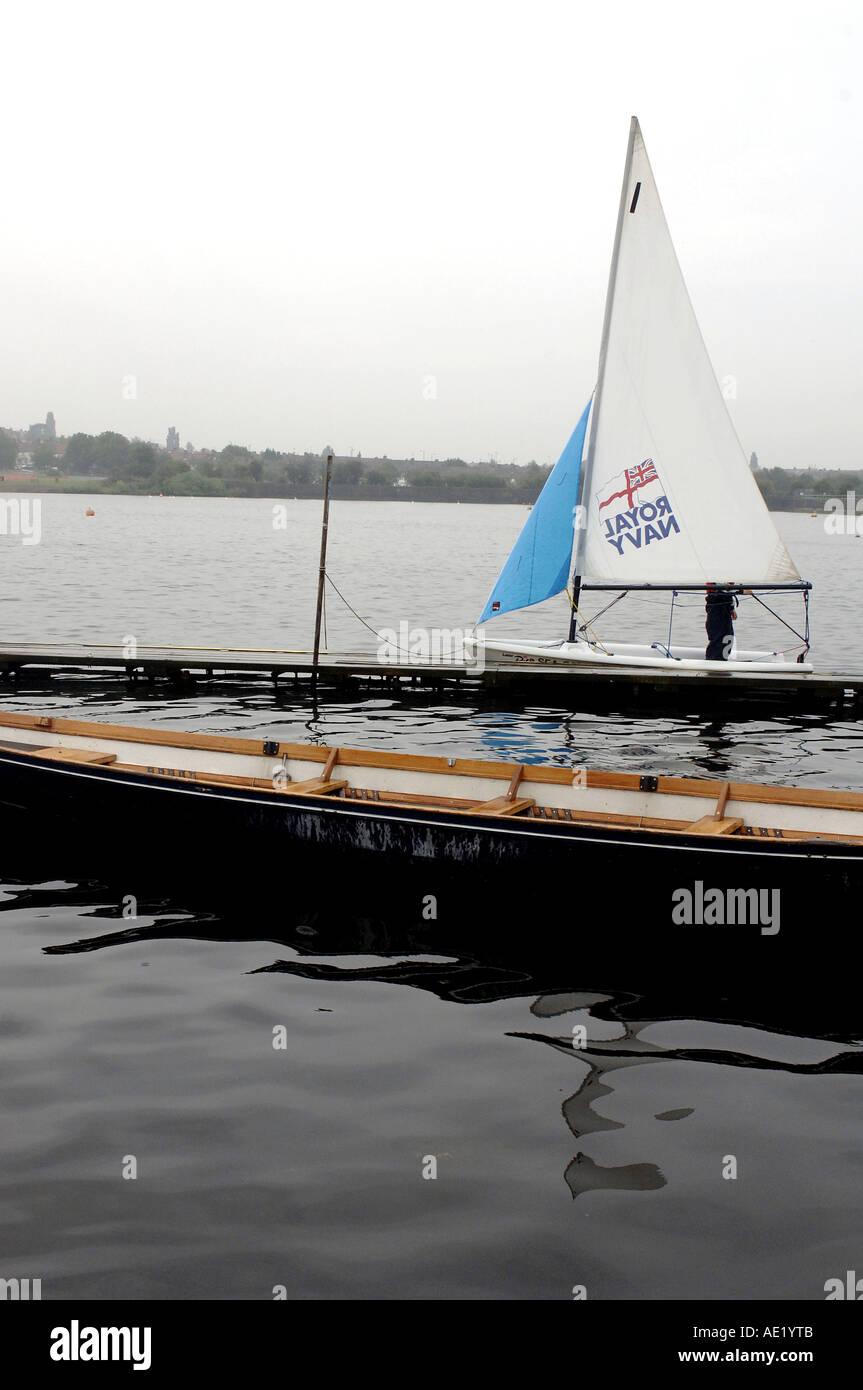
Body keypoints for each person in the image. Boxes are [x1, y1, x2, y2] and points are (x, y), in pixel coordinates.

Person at [705, 587, 738, 661]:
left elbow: (728, 591)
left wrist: (732, 609)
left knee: (728, 638)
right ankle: (712, 662)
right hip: (716, 609)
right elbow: (721, 589)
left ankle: (723, 661)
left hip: (725, 608)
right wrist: (740, 590)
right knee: (718, 639)